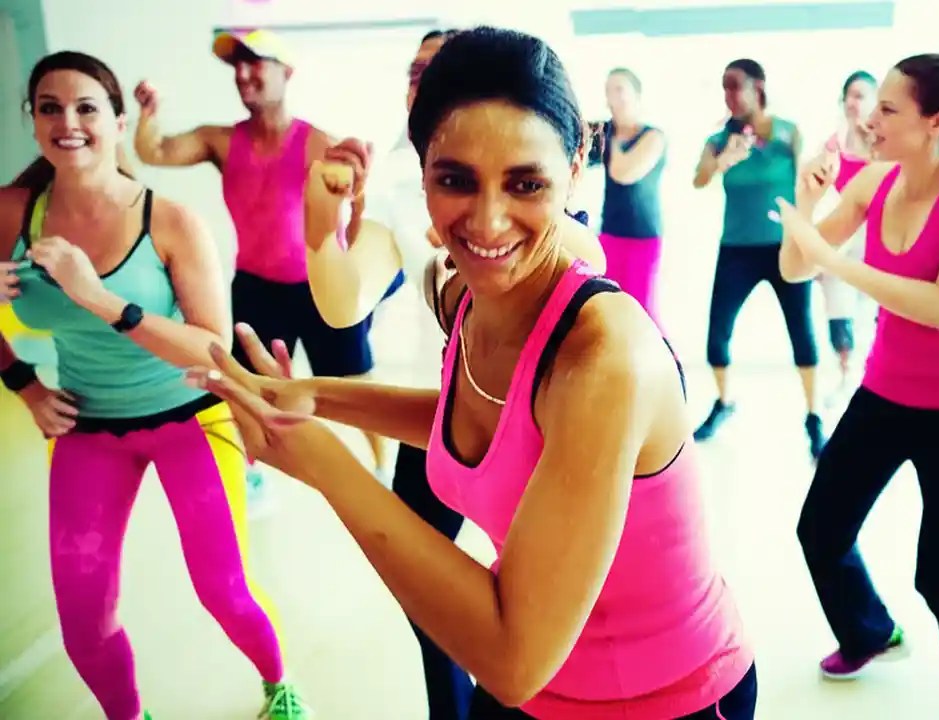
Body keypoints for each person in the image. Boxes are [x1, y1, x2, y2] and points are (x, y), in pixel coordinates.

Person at [187, 26, 757, 720]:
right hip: (538, 690)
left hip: (665, 700)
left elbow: (514, 659)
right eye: (455, 179)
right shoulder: (463, 289)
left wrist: (322, 462)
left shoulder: (606, 359)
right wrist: (314, 397)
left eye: (526, 183)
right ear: (421, 168)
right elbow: (485, 423)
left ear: (577, 165)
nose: (487, 222)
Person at [304, 27, 605, 720]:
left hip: (543, 429)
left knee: (545, 614)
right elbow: (342, 302)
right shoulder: (400, 200)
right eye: (416, 71)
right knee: (428, 590)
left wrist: (480, 233)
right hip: (456, 416)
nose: (423, 83)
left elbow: (587, 259)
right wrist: (325, 224)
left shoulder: (532, 194)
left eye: (440, 71)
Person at [0, 51, 308, 720]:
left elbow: (212, 348)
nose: (68, 122)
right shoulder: (11, 213)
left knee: (224, 591)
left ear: (117, 120)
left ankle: (280, 686)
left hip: (190, 415)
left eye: (86, 107)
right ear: (33, 122)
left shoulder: (168, 221)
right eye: (49, 107)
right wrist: (22, 382)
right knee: (84, 618)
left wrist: (97, 296)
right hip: (86, 427)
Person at [776, 53, 939, 720]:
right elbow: (797, 266)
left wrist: (840, 262)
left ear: (936, 121)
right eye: (873, 105)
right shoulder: (873, 184)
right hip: (884, 393)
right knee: (820, 531)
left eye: (888, 109)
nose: (869, 118)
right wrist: (809, 200)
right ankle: (868, 631)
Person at [132, 29, 396, 487]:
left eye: (256, 62)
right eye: (238, 64)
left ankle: (383, 466)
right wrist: (147, 114)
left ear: (286, 73)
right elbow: (153, 151)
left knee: (354, 381)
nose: (243, 73)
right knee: (248, 385)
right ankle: (251, 475)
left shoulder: (318, 144)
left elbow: (353, 221)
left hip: (317, 287)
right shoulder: (219, 141)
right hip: (256, 286)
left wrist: (352, 268)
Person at [692, 58, 825, 460]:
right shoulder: (718, 140)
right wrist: (723, 160)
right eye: (724, 88)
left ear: (758, 86)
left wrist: (813, 246)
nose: (730, 96)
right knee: (717, 333)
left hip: (786, 247)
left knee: (801, 331)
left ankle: (814, 417)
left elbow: (809, 187)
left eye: (736, 86)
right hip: (736, 248)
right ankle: (724, 402)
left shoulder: (788, 134)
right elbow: (698, 180)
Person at [814, 70, 877, 391]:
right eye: (849, 95)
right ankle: (845, 374)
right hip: (842, 240)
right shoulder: (832, 146)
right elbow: (818, 194)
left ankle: (872, 374)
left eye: (861, 95)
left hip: (878, 241)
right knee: (838, 309)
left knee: (876, 311)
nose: (853, 102)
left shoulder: (885, 147)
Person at [589, 68, 667, 323]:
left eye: (620, 89)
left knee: (641, 313)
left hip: (642, 236)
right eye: (609, 91)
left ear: (637, 94)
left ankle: (669, 363)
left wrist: (611, 136)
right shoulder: (604, 133)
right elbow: (567, 159)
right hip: (610, 233)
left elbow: (623, 172)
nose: (614, 97)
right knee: (607, 307)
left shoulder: (653, 137)